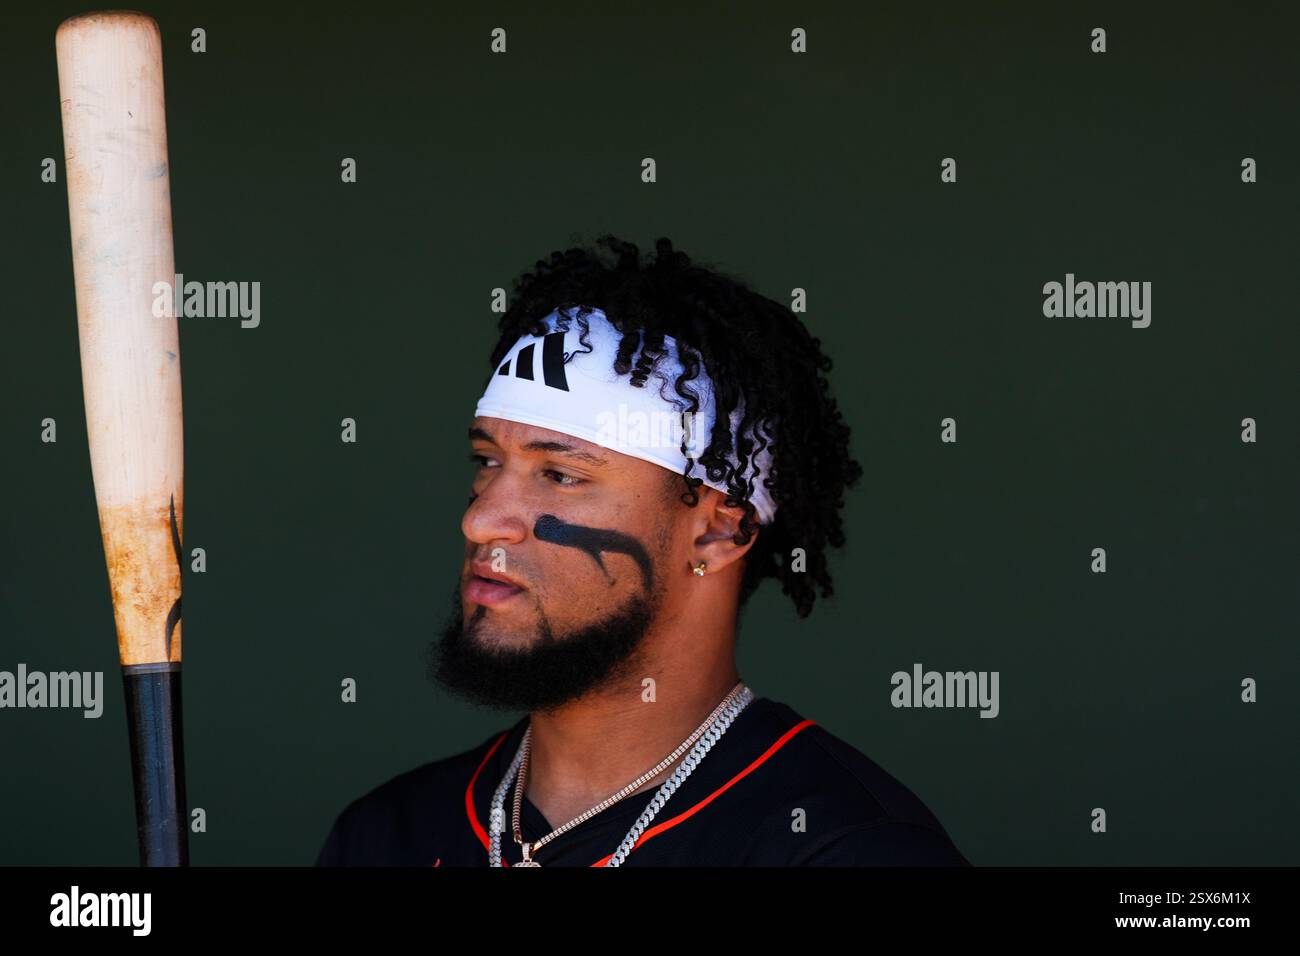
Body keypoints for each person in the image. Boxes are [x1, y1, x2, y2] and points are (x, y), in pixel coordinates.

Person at [315, 235, 968, 866]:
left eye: (561, 475)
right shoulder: (388, 835)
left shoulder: (844, 847)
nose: (482, 520)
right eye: (487, 461)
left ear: (719, 532)